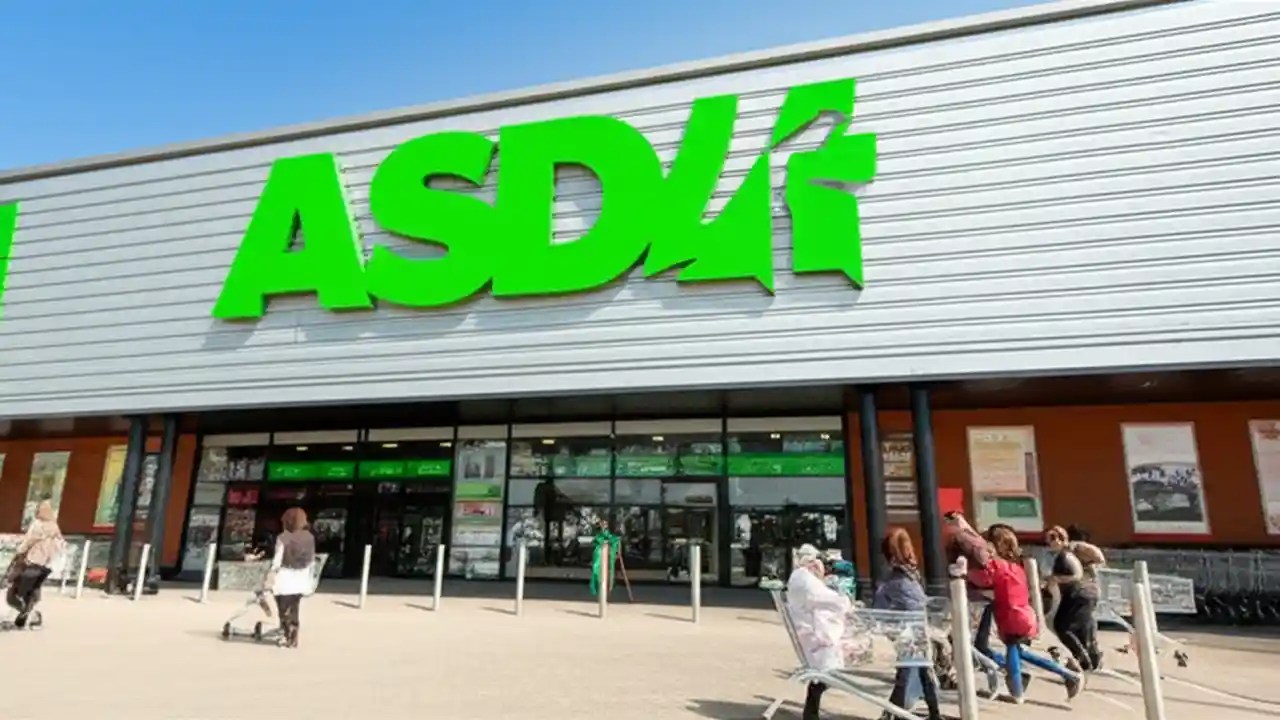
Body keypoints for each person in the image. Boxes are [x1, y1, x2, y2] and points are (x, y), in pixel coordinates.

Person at [960, 526, 1083, 703]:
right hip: (1022, 614)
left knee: (1012, 650)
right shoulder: (1015, 567)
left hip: (1012, 617)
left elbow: (983, 579)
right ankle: (1068, 675)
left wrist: (964, 575)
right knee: (1018, 652)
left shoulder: (997, 567)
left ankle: (1017, 693)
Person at [873, 529, 943, 720]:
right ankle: (933, 713)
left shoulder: (892, 580)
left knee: (905, 675)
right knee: (922, 672)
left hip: (906, 631)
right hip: (919, 629)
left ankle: (891, 714)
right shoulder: (912, 576)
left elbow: (879, 607)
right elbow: (920, 602)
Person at [786, 544, 851, 720]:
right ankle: (811, 710)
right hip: (817, 640)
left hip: (811, 635)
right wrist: (846, 600)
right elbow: (833, 601)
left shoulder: (799, 577)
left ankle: (811, 710)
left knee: (822, 679)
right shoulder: (806, 580)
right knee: (855, 642)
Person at [1045, 526, 1103, 671]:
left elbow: (1076, 575)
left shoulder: (1066, 555)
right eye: (1048, 539)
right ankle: (1091, 660)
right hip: (1087, 592)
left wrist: (1055, 578)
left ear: (1061, 539)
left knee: (1062, 626)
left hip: (1078, 593)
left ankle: (1082, 658)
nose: (1049, 542)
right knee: (1082, 627)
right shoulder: (1064, 555)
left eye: (1052, 538)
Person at [6, 501, 64, 629]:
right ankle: (29, 615)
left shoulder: (38, 525)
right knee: (32, 590)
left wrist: (18, 553)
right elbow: (60, 548)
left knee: (15, 592)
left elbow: (28, 542)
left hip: (32, 563)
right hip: (46, 567)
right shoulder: (55, 528)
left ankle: (28, 614)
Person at [270, 507, 316, 648]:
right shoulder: (309, 538)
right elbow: (312, 560)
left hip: (285, 578)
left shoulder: (283, 538)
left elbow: (277, 560)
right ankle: (294, 631)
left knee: (283, 608)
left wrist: (270, 574)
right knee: (294, 606)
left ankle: (286, 634)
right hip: (302, 578)